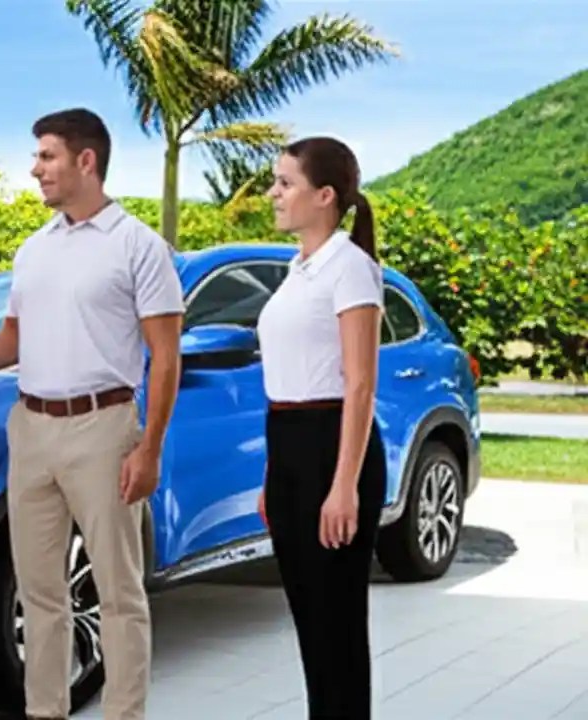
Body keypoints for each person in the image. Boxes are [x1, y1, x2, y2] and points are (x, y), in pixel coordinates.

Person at [0, 108, 184, 720]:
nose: (36, 169)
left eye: (47, 156)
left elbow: (165, 358)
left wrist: (150, 447)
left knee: (119, 593)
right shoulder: (32, 250)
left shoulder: (138, 246)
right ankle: (45, 712)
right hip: (30, 429)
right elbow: (11, 341)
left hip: (103, 429)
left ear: (87, 161)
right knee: (39, 594)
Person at [256, 136, 387, 719]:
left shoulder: (351, 268)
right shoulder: (299, 269)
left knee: (336, 625)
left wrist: (344, 486)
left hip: (333, 447)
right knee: (311, 623)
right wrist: (271, 475)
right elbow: (285, 380)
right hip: (288, 445)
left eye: (285, 184)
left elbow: (359, 384)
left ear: (325, 195)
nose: (273, 193)